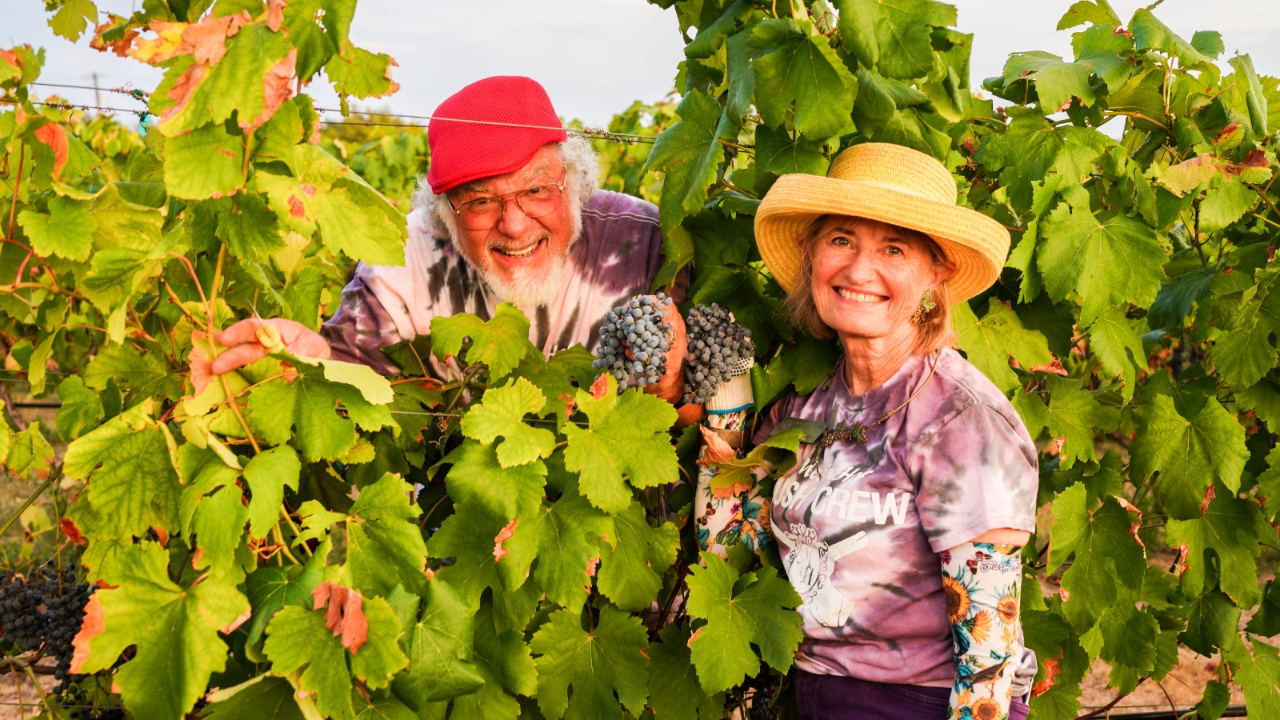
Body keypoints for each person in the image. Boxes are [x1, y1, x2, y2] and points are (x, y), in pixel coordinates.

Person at [751, 143, 1038, 720]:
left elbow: (988, 653)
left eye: (894, 249)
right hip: (814, 695)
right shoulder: (806, 402)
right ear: (811, 256)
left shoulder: (961, 422)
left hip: (917, 704)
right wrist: (724, 409)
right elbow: (734, 544)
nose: (859, 270)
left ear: (938, 274)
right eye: (841, 240)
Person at [209, 75, 689, 408]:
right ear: (442, 215)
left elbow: (702, 415)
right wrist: (315, 362)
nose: (515, 225)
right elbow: (349, 379)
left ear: (575, 179)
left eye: (537, 190)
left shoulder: (644, 246)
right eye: (480, 202)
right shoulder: (403, 257)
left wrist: (671, 389)